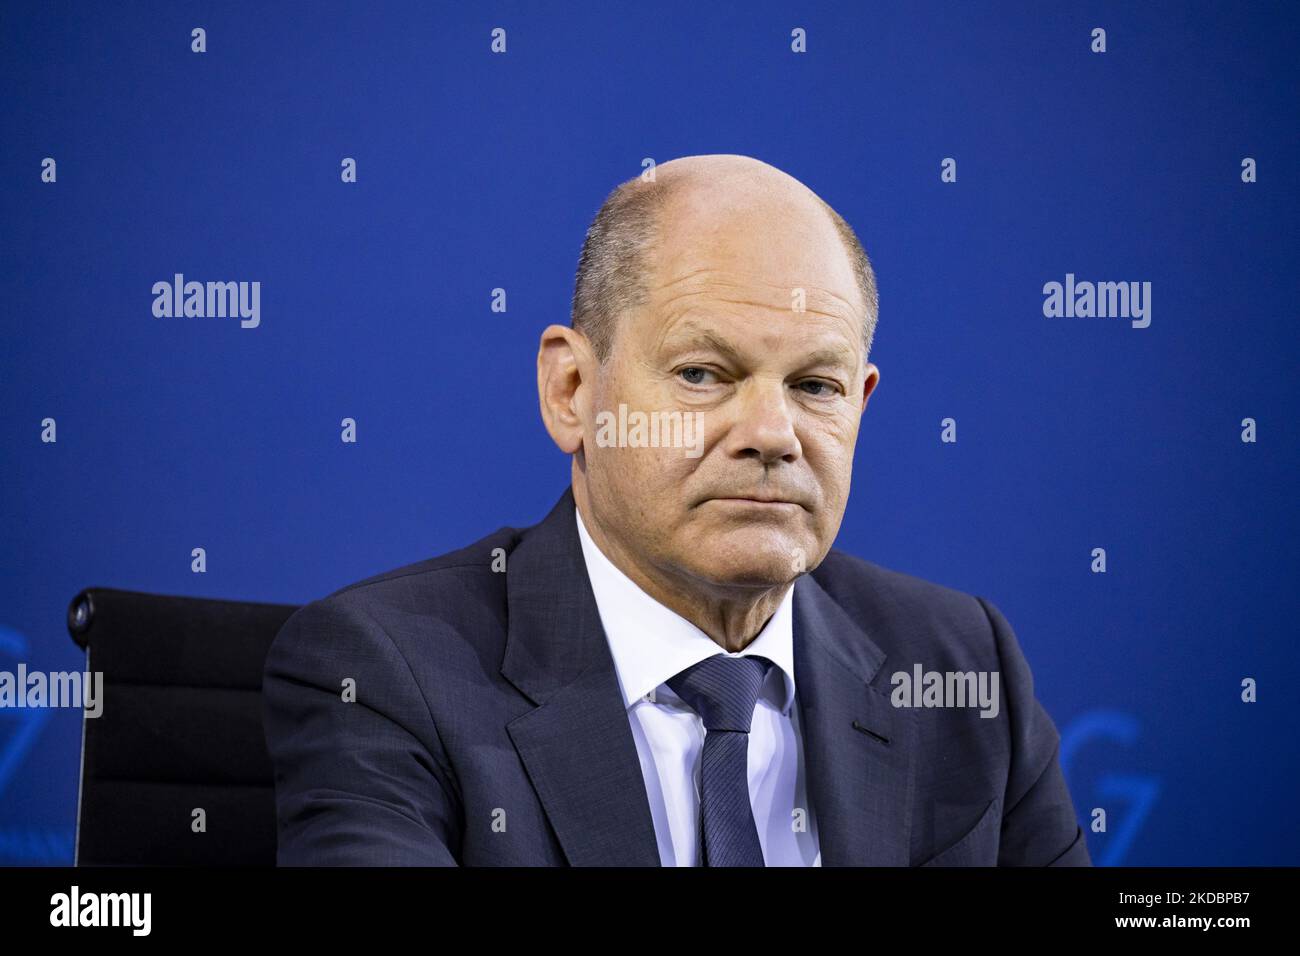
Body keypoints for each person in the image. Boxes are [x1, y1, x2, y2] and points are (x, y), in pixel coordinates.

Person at [261, 154, 1090, 866]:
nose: (772, 434)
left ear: (862, 405)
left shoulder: (958, 668)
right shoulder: (383, 674)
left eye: (815, 387)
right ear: (572, 391)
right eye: (703, 374)